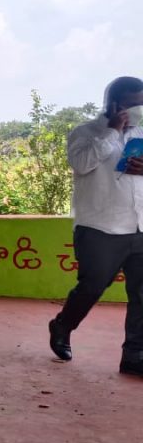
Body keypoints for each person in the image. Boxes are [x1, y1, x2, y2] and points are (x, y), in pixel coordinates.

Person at [48, 77, 143, 377]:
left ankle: (134, 356)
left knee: (142, 294)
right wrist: (113, 131)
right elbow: (82, 164)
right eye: (134, 102)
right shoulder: (85, 133)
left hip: (140, 226)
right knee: (92, 287)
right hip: (100, 227)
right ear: (114, 103)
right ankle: (63, 325)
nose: (139, 109)